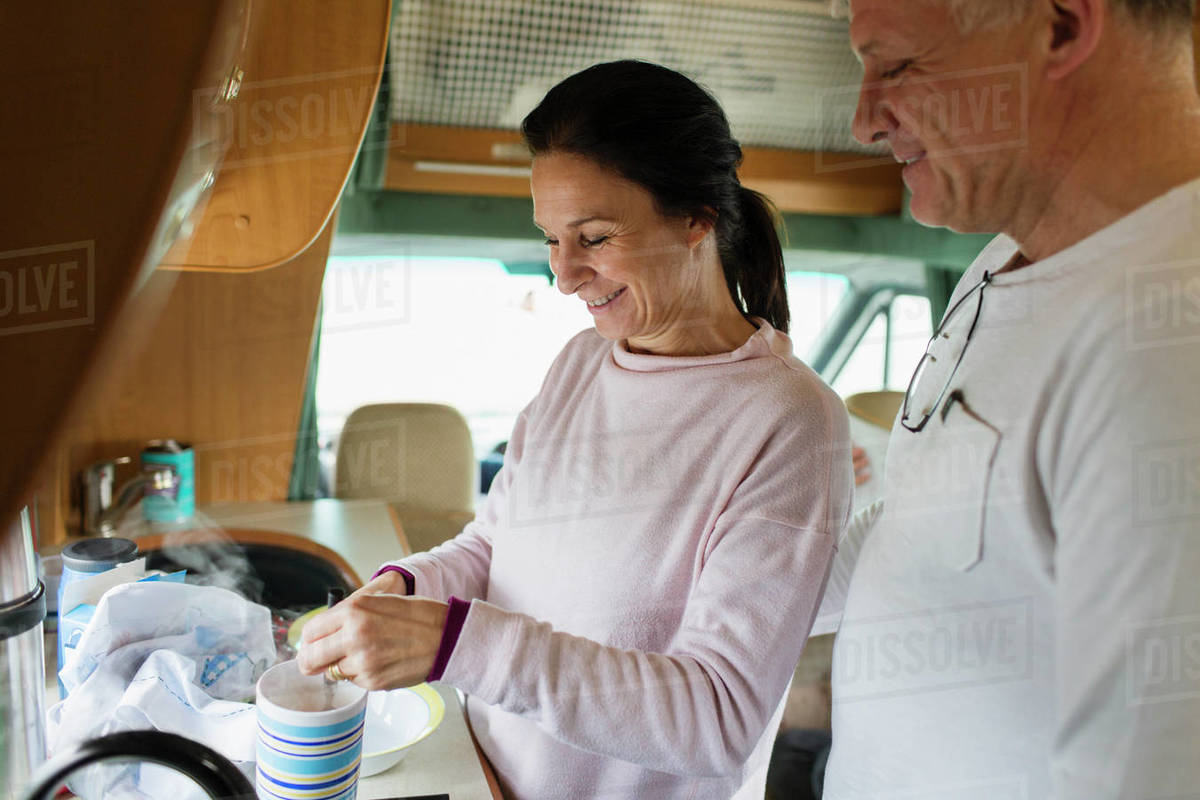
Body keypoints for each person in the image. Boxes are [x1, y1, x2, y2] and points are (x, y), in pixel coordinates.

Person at [298, 60, 854, 799]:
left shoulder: (789, 422)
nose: (564, 276)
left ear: (697, 217)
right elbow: (495, 543)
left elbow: (717, 718)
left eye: (593, 236)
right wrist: (407, 588)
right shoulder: (581, 363)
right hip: (485, 772)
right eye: (552, 239)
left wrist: (455, 643)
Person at [813, 1, 1200, 798]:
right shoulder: (1001, 262)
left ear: (1059, 25)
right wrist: (723, 594)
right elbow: (927, 522)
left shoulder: (1171, 331)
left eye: (895, 65)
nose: (862, 121)